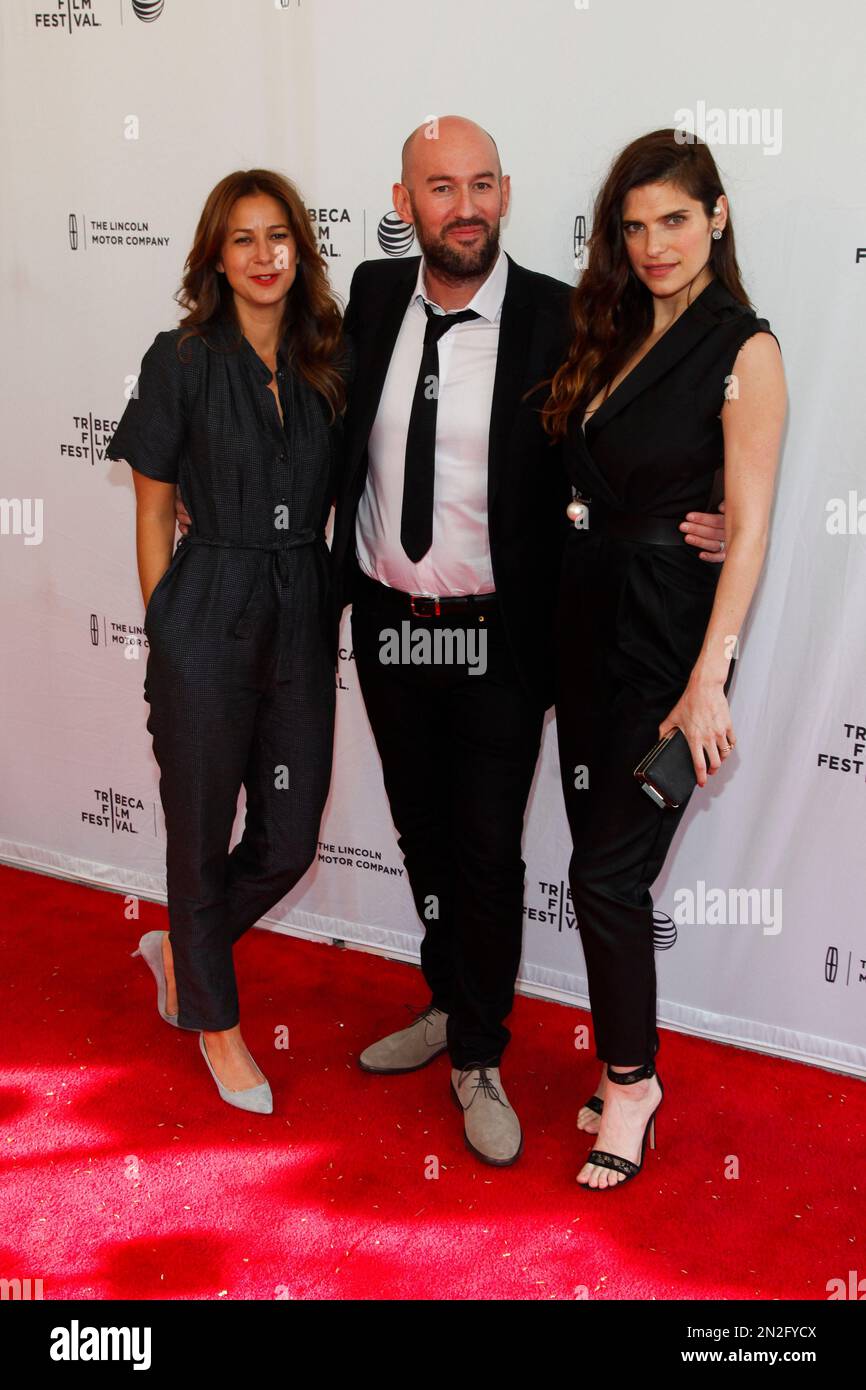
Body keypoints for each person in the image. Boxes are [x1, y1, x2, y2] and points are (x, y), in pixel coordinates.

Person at [328, 117, 728, 1166]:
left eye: (480, 185)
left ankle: (477, 1051)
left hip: (497, 636)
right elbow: (306, 414)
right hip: (387, 620)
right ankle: (443, 997)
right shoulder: (370, 298)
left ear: (504, 194)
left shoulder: (561, 318)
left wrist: (710, 513)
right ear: (403, 198)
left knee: (485, 846)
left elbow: (633, 435)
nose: (462, 206)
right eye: (437, 187)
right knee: (419, 833)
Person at [545, 129, 786, 1189]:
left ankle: (633, 1083)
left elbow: (753, 527)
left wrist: (707, 681)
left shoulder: (745, 348)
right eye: (633, 226)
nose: (652, 244)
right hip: (585, 632)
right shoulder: (612, 332)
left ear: (716, 217)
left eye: (674, 220)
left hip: (665, 648)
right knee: (604, 877)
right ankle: (618, 1061)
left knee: (602, 873)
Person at [106, 169, 348, 1113]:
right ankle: (215, 1021)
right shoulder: (181, 359)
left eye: (278, 235)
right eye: (242, 239)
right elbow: (154, 505)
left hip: (300, 605)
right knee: (201, 832)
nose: (263, 256)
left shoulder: (328, 354)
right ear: (216, 254)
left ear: (301, 246)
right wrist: (168, 621)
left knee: (288, 839)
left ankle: (181, 945)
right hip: (207, 604)